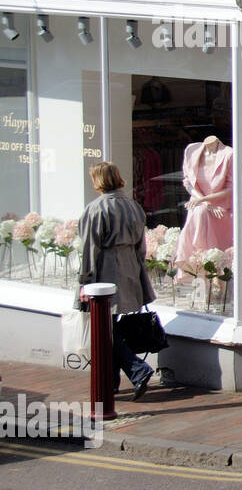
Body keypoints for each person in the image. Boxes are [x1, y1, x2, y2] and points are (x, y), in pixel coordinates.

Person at [77, 161, 156, 400]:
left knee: (104, 330)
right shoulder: (133, 206)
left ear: (98, 181)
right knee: (111, 328)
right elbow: (141, 247)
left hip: (106, 271)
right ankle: (111, 381)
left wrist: (84, 281)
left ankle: (138, 370)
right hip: (130, 269)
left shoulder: (96, 209)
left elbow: (89, 250)